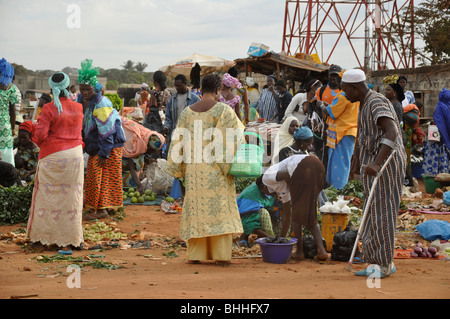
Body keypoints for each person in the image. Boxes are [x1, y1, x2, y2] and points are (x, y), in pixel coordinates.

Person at [165, 73, 245, 266]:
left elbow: (178, 143)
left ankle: (195, 254)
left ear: (200, 89)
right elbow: (235, 137)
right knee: (219, 212)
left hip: (194, 172)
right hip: (217, 171)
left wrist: (180, 169)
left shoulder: (186, 113)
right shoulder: (224, 111)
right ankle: (221, 256)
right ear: (218, 91)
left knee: (198, 211)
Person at [341, 69, 407, 278]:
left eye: (345, 91)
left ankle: (384, 264)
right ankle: (377, 261)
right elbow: (367, 135)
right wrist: (356, 161)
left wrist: (377, 163)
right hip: (375, 163)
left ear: (354, 87)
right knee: (374, 212)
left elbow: (392, 132)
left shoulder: (376, 101)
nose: (344, 95)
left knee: (383, 211)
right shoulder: (364, 104)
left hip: (387, 163)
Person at [26, 72, 85, 255]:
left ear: (52, 89)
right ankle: (73, 239)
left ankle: (42, 240)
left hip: (52, 156)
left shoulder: (49, 108)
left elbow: (40, 136)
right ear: (69, 87)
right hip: (75, 156)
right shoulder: (79, 107)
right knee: (71, 200)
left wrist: (36, 137)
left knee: (47, 198)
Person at [77, 59, 126, 221]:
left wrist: (104, 153)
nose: (84, 92)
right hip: (99, 144)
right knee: (98, 175)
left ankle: (101, 209)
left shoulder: (101, 103)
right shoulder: (84, 102)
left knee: (100, 176)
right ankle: (104, 207)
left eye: (88, 89)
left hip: (109, 144)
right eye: (82, 89)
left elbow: (107, 131)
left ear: (94, 88)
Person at [262, 154, 328, 261]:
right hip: (317, 166)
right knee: (309, 213)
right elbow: (287, 217)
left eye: (266, 193)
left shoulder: (266, 177)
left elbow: (288, 175)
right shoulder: (282, 190)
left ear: (264, 187)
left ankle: (299, 251)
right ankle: (322, 251)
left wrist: (294, 193)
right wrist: (281, 240)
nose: (269, 195)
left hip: (305, 166)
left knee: (298, 214)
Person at [324, 73, 359, 189]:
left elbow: (332, 112)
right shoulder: (356, 96)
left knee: (339, 163)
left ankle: (337, 189)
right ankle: (335, 187)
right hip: (349, 132)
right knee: (342, 161)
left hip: (342, 133)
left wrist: (321, 106)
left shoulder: (343, 97)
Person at [121, 116, 165, 193]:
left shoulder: (144, 135)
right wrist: (139, 186)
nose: (150, 153)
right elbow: (132, 167)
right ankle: (123, 186)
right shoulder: (137, 143)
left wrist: (148, 160)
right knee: (136, 162)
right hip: (113, 155)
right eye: (150, 149)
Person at [236, 176, 276, 246]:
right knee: (263, 214)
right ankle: (245, 237)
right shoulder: (251, 197)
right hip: (247, 216)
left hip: (267, 211)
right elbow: (250, 224)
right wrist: (271, 239)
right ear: (263, 187)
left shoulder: (274, 188)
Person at [163, 74, 200, 145]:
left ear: (185, 83)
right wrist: (166, 128)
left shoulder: (195, 99)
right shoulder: (172, 100)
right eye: (176, 86)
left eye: (179, 85)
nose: (177, 88)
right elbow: (168, 119)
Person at [422, 88, 450, 176]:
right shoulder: (448, 107)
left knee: (433, 158)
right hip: (445, 140)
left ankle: (432, 176)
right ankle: (443, 177)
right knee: (443, 158)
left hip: (436, 139)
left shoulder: (439, 107)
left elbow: (440, 124)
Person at [0, 58, 18, 165]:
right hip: (4, 125)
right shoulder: (11, 88)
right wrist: (12, 128)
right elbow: (13, 111)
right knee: (6, 152)